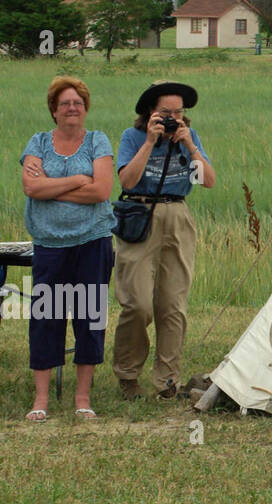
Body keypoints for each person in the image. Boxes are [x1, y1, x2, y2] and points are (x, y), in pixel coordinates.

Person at [20, 76, 116, 421]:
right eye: (65, 103)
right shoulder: (38, 142)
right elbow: (31, 186)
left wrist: (51, 186)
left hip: (92, 240)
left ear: (85, 108)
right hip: (49, 243)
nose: (72, 108)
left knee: (89, 318)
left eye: (78, 102)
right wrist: (77, 180)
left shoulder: (98, 141)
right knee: (46, 318)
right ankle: (41, 399)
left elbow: (102, 191)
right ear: (54, 110)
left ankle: (82, 397)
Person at [112, 81, 215, 401]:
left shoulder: (189, 138)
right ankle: (128, 373)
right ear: (150, 112)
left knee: (173, 305)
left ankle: (167, 381)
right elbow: (126, 180)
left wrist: (190, 146)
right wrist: (150, 140)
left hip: (178, 216)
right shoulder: (133, 137)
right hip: (140, 217)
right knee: (138, 303)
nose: (172, 118)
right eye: (165, 113)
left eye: (178, 113)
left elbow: (207, 181)